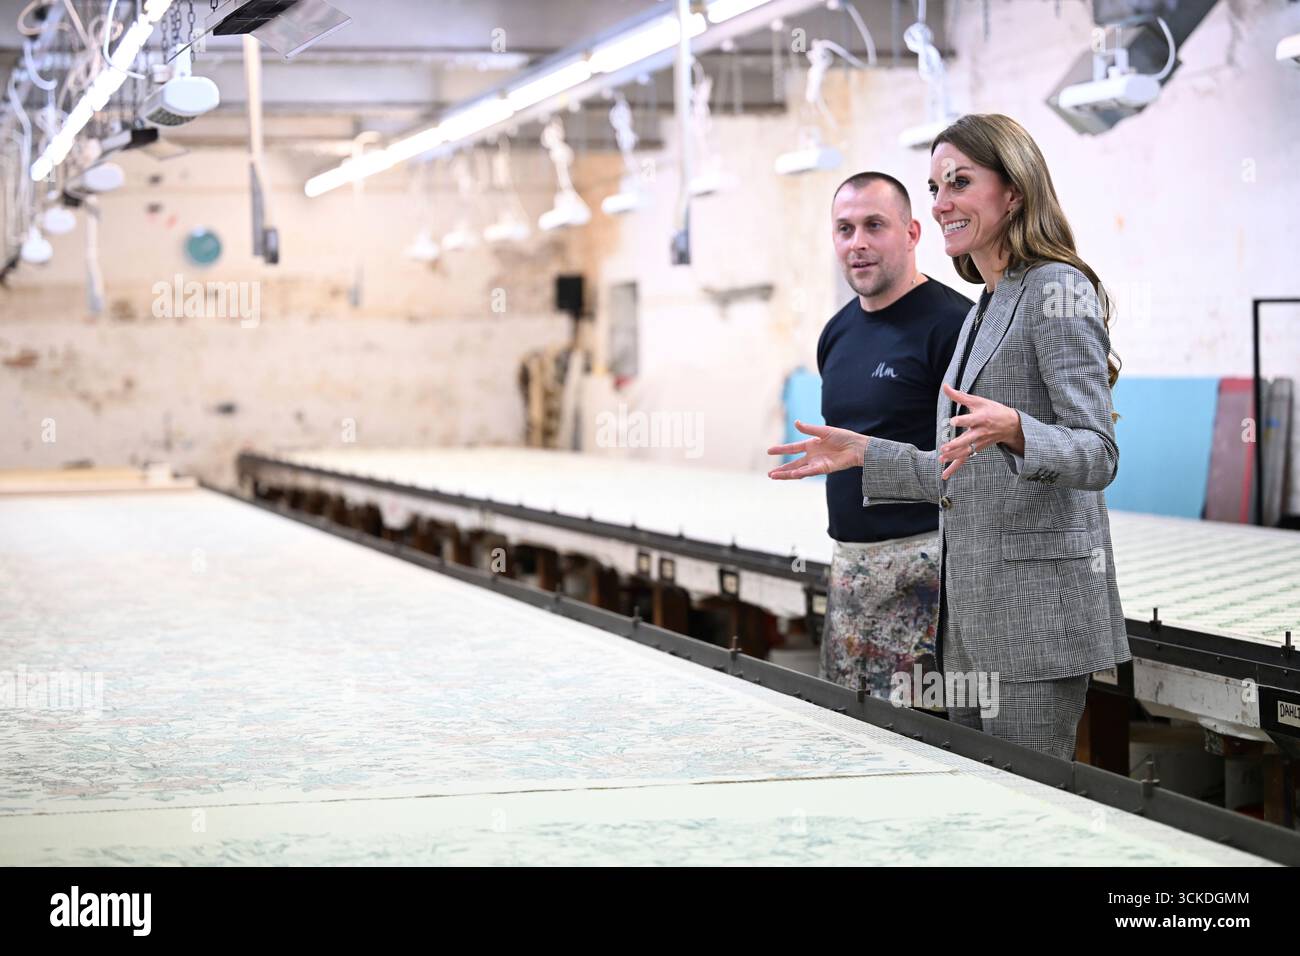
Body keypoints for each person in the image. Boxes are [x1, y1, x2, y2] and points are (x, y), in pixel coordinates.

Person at [769, 114, 1129, 760]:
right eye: (935, 187)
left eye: (959, 183)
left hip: (1035, 623)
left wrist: (1019, 431)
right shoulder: (990, 303)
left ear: (1012, 191)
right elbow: (959, 470)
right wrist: (865, 454)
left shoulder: (1056, 289)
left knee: (1026, 816)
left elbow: (1098, 452)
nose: (941, 205)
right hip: (968, 621)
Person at [816, 172, 971, 700]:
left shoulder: (953, 327)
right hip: (850, 570)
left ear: (911, 233)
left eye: (874, 226)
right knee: (846, 733)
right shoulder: (835, 334)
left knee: (920, 739)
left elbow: (973, 466)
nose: (857, 242)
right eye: (844, 228)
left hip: (926, 572)